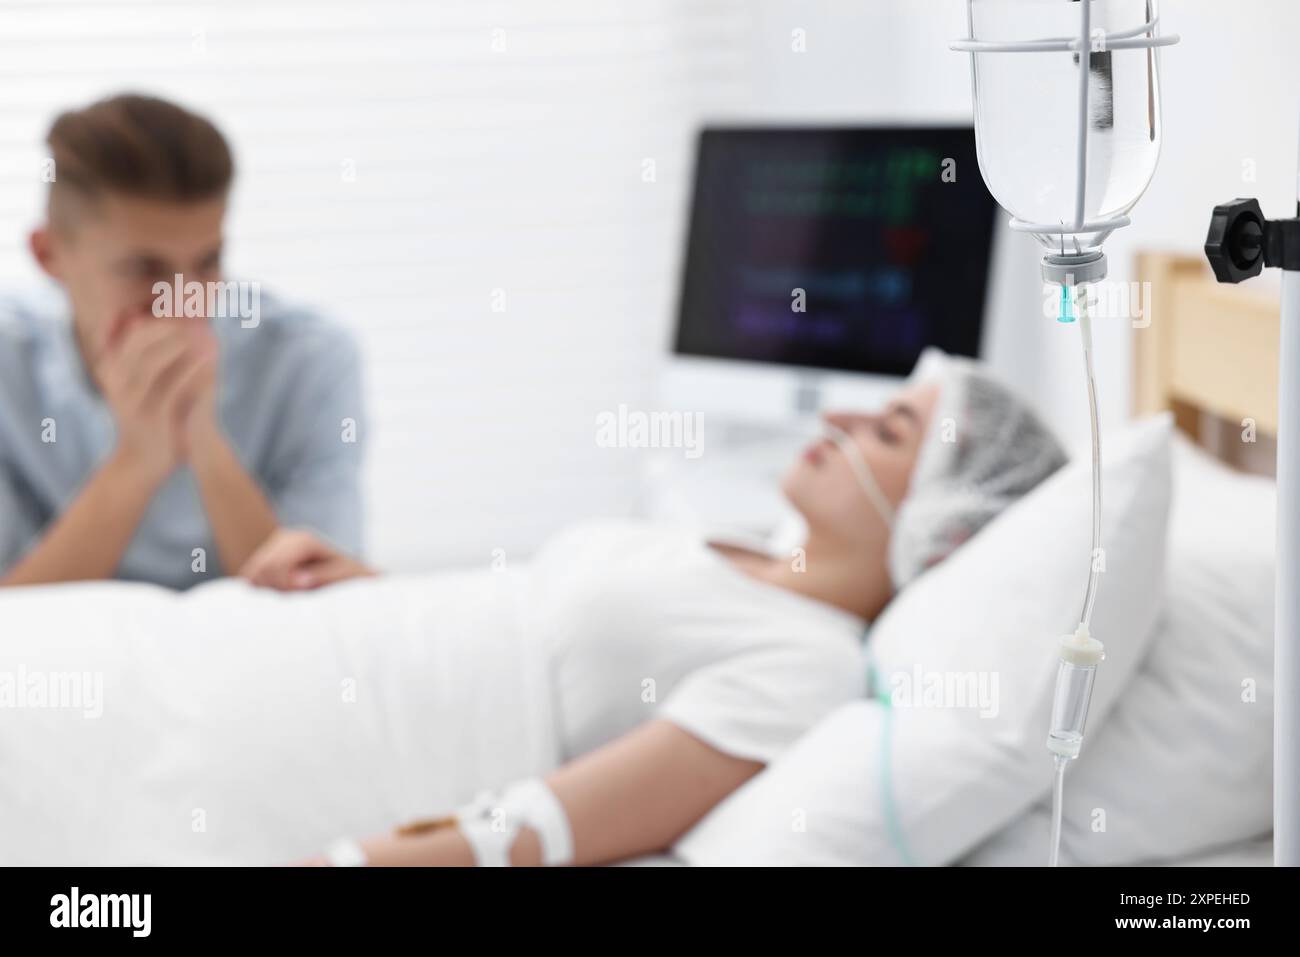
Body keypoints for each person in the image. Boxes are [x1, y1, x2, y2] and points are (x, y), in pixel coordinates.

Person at [237, 352, 1068, 867]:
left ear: (943, 527)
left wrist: (344, 864)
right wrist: (378, 589)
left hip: (331, 738)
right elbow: (540, 622)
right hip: (313, 636)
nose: (837, 416)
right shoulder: (740, 541)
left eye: (886, 433)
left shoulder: (808, 662)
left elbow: (545, 830)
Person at [0, 94, 365, 590]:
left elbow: (322, 598)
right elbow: (14, 614)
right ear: (50, 256)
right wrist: (137, 461)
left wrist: (203, 441)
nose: (184, 299)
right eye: (144, 270)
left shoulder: (309, 360)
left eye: (208, 262)